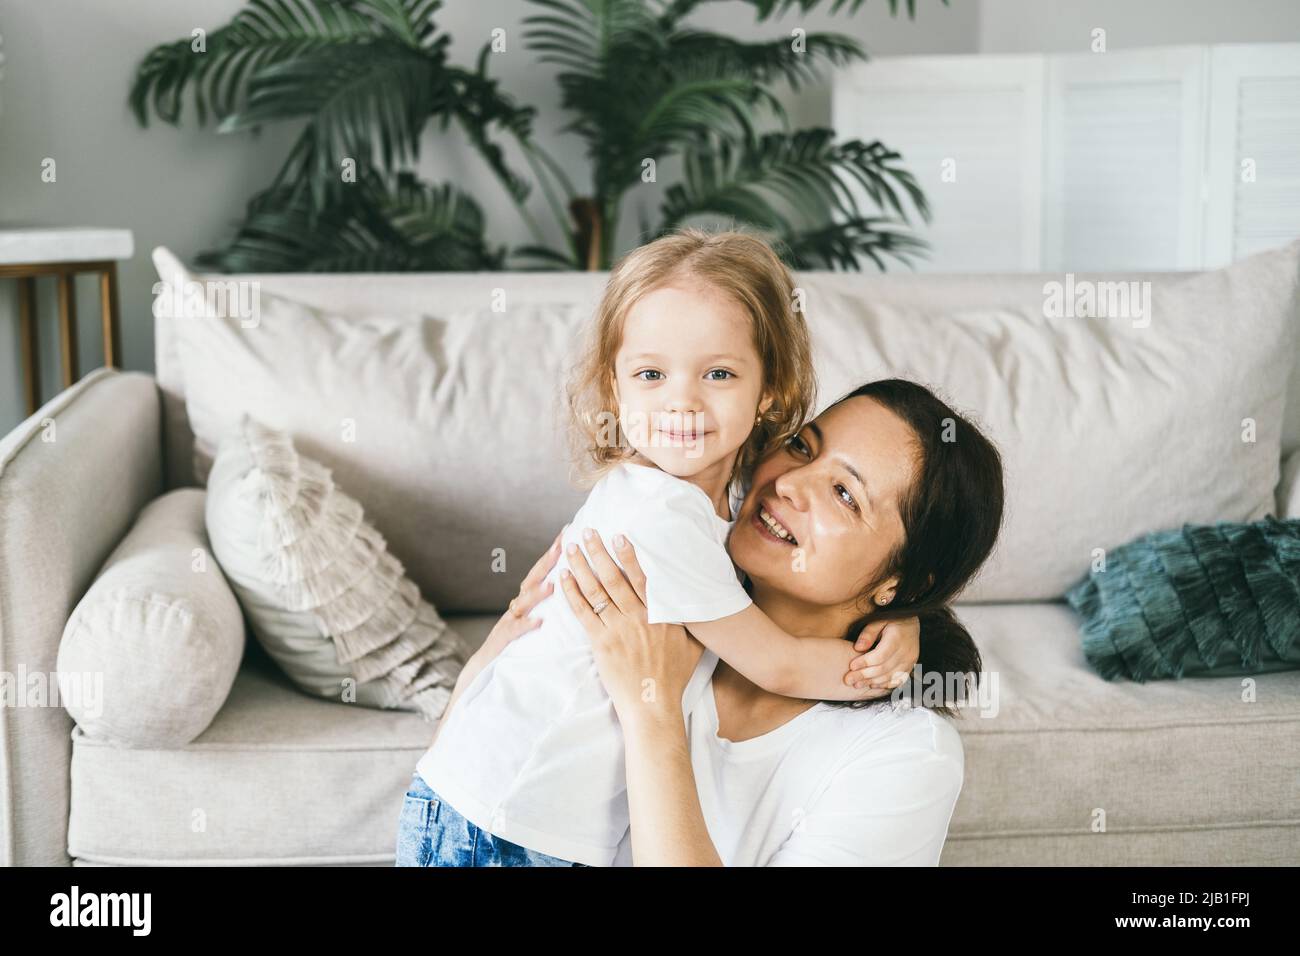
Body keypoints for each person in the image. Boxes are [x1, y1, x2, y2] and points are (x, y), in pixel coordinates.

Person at [396, 229, 921, 867]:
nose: (681, 401)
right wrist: (879, 671)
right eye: (651, 373)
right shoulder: (657, 513)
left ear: (771, 391)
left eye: (718, 373)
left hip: (496, 806)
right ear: (615, 388)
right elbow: (777, 664)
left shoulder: (709, 509)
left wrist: (905, 617)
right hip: (502, 824)